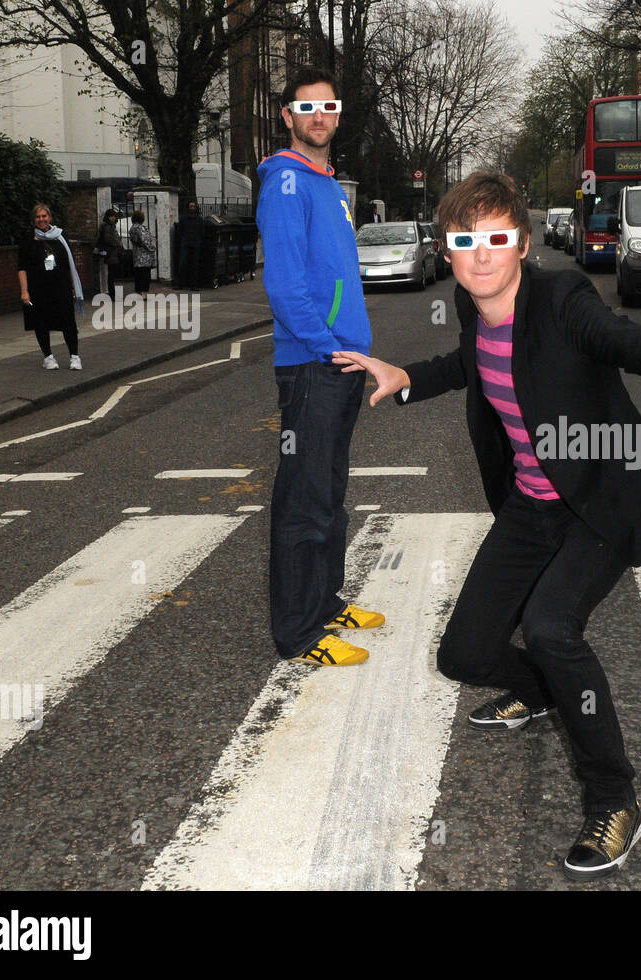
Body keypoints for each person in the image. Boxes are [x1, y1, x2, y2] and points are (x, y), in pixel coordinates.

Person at [332, 172, 641, 881]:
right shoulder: (474, 309)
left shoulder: (562, 298)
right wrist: (407, 379)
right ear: (449, 250)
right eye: (466, 242)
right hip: (531, 504)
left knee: (554, 628)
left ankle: (615, 800)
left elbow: (628, 342)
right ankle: (541, 688)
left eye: (498, 239)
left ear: (523, 245)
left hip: (600, 499)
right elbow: (468, 365)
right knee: (463, 656)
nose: (483, 255)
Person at [257, 66, 383, 668]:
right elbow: (283, 284)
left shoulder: (326, 184)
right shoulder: (286, 182)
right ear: (288, 117)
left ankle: (326, 603)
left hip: (341, 361)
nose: (318, 116)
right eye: (305, 108)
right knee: (304, 500)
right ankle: (300, 632)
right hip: (313, 363)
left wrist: (349, 351)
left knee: (330, 493)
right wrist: (324, 343)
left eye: (328, 107)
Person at [19, 203, 84, 370]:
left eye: (44, 216)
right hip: (38, 289)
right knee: (41, 323)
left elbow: (69, 264)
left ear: (50, 217)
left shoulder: (60, 236)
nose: (41, 219)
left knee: (68, 322)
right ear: (34, 220)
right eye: (38, 217)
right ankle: (48, 357)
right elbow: (22, 268)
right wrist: (24, 291)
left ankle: (74, 357)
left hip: (61, 287)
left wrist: (75, 288)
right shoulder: (28, 239)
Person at [176, 200, 204, 289]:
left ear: (196, 208)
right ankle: (181, 284)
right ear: (188, 208)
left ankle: (194, 285)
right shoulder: (183, 219)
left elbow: (202, 232)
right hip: (186, 243)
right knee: (182, 264)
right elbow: (180, 231)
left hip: (195, 244)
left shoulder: (199, 219)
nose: (192, 208)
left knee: (194, 265)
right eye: (190, 206)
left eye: (193, 206)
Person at [129, 210, 155, 297]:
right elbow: (145, 240)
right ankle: (143, 293)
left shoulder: (133, 228)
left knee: (138, 275)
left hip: (137, 254)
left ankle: (139, 291)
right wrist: (151, 248)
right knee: (145, 275)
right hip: (144, 255)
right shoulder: (140, 228)